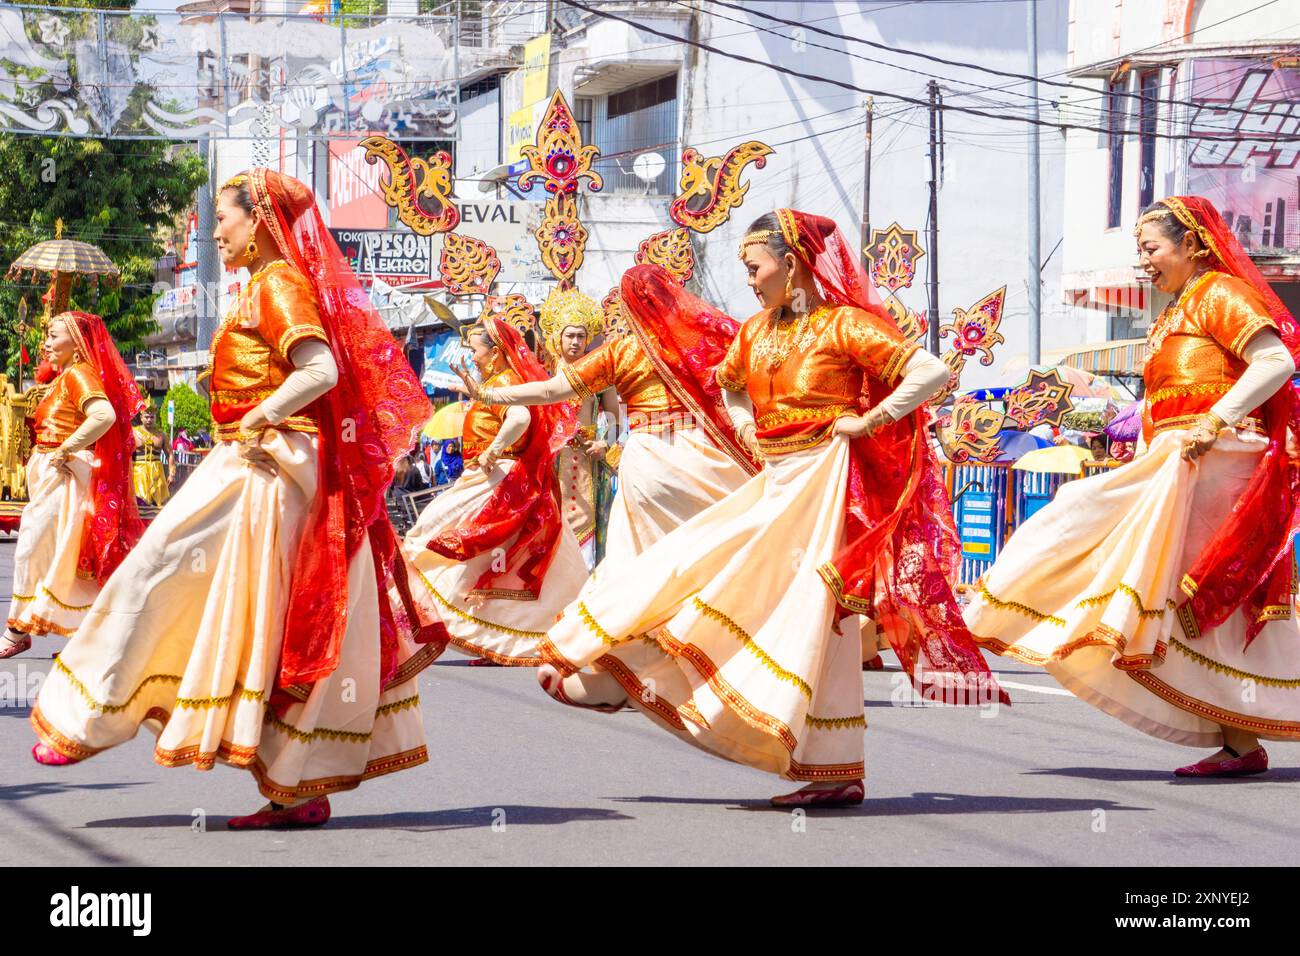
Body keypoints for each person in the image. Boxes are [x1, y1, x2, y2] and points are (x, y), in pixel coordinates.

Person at [524, 212, 1004, 806]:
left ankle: (827, 765)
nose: (749, 279)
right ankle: (625, 669)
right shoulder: (754, 332)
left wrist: (869, 420)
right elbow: (727, 384)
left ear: (793, 262)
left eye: (754, 267)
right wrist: (749, 428)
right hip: (777, 481)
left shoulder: (844, 325)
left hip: (824, 482)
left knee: (812, 611)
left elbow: (929, 370)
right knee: (713, 565)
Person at [30, 169, 441, 828]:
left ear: (259, 222)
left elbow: (321, 370)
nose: (214, 229)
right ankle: (295, 791)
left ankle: (91, 716)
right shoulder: (264, 287)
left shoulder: (279, 285)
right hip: (256, 462)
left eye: (223, 217)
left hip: (266, 466)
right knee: (252, 619)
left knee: (158, 571)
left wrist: (258, 417)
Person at [964, 196, 1299, 777]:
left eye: (1151, 248)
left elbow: (1274, 363)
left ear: (1191, 244)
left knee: (1194, 589)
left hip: (1219, 459)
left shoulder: (1221, 293)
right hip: (1179, 459)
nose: (1144, 262)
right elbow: (1158, 407)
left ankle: (993, 609)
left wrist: (1213, 423)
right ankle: (1243, 744)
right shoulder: (1173, 313)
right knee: (1193, 598)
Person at [455, 264, 760, 702]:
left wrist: (488, 395)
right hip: (701, 460)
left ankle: (623, 664)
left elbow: (549, 392)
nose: (576, 341)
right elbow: (742, 384)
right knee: (711, 556)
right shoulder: (701, 345)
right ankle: (713, 659)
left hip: (649, 461)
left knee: (637, 565)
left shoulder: (622, 351)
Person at [401, 315, 585, 667]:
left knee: (434, 535)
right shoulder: (497, 381)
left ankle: (494, 634)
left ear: (496, 352)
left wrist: (492, 450)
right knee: (494, 558)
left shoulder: (506, 382)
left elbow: (520, 420)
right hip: (497, 478)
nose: (472, 356)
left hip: (501, 480)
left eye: (476, 349)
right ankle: (496, 638)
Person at [0, 311, 143, 659]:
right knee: (64, 556)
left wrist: (66, 448)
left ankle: (16, 630)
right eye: (46, 335)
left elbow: (104, 415)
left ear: (77, 345)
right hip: (54, 475)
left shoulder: (78, 374)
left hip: (64, 477)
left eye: (54, 335)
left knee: (34, 547)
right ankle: (88, 636)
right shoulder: (65, 377)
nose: (46, 343)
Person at [537, 288, 618, 569]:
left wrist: (605, 444)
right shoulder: (543, 377)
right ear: (557, 337)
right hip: (552, 463)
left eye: (580, 336)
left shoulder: (598, 374)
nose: (575, 342)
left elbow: (615, 420)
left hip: (588, 462)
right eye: (569, 335)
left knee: (587, 532)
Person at [132, 405, 170, 507]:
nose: (149, 420)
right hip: (138, 473)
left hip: (157, 473)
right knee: (139, 505)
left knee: (157, 507)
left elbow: (169, 455)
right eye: (146, 417)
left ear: (155, 418)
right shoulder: (133, 432)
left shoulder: (162, 435)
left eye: (152, 417)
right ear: (141, 418)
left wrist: (172, 473)